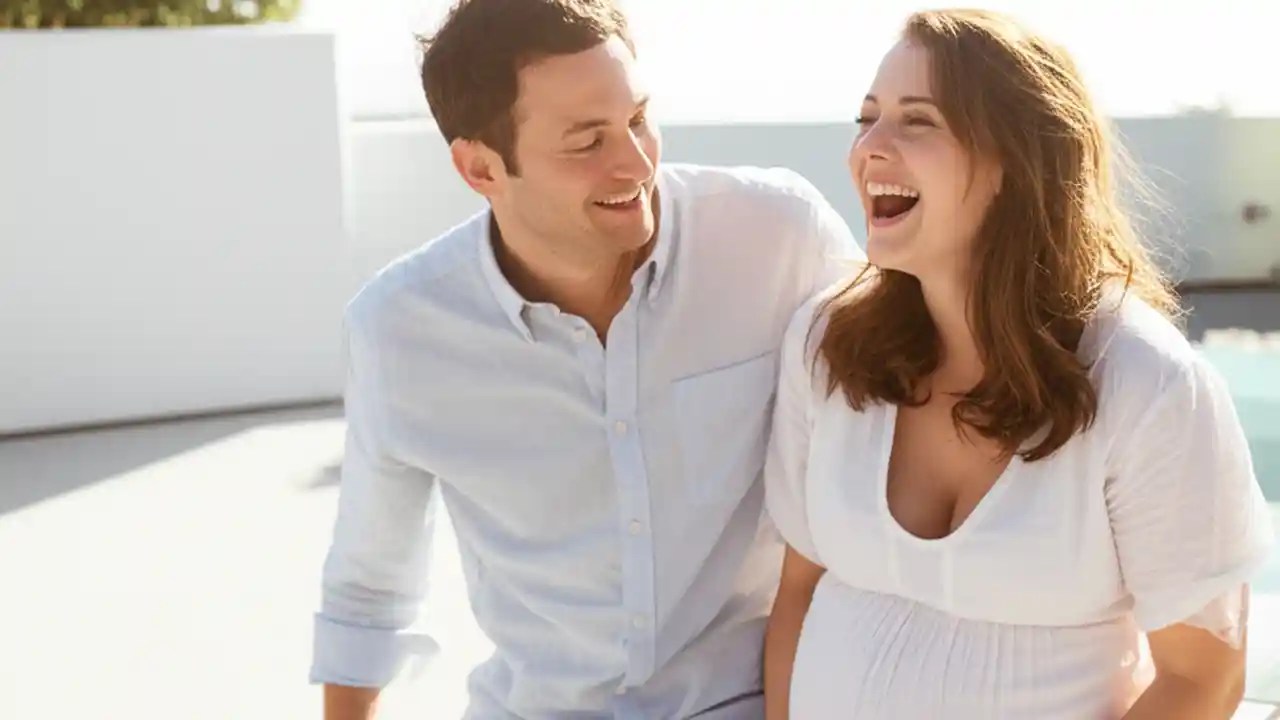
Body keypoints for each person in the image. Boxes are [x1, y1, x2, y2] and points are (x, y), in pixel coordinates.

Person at [309, 0, 861, 717]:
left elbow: (889, 431)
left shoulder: (779, 238)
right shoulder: (399, 330)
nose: (635, 163)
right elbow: (368, 590)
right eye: (586, 141)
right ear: (480, 168)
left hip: (749, 701)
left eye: (637, 119)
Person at [763, 9, 1273, 720]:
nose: (869, 148)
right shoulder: (827, 344)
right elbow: (797, 593)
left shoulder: (1146, 383)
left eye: (918, 122)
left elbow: (1202, 677)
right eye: (867, 117)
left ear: (1014, 162)